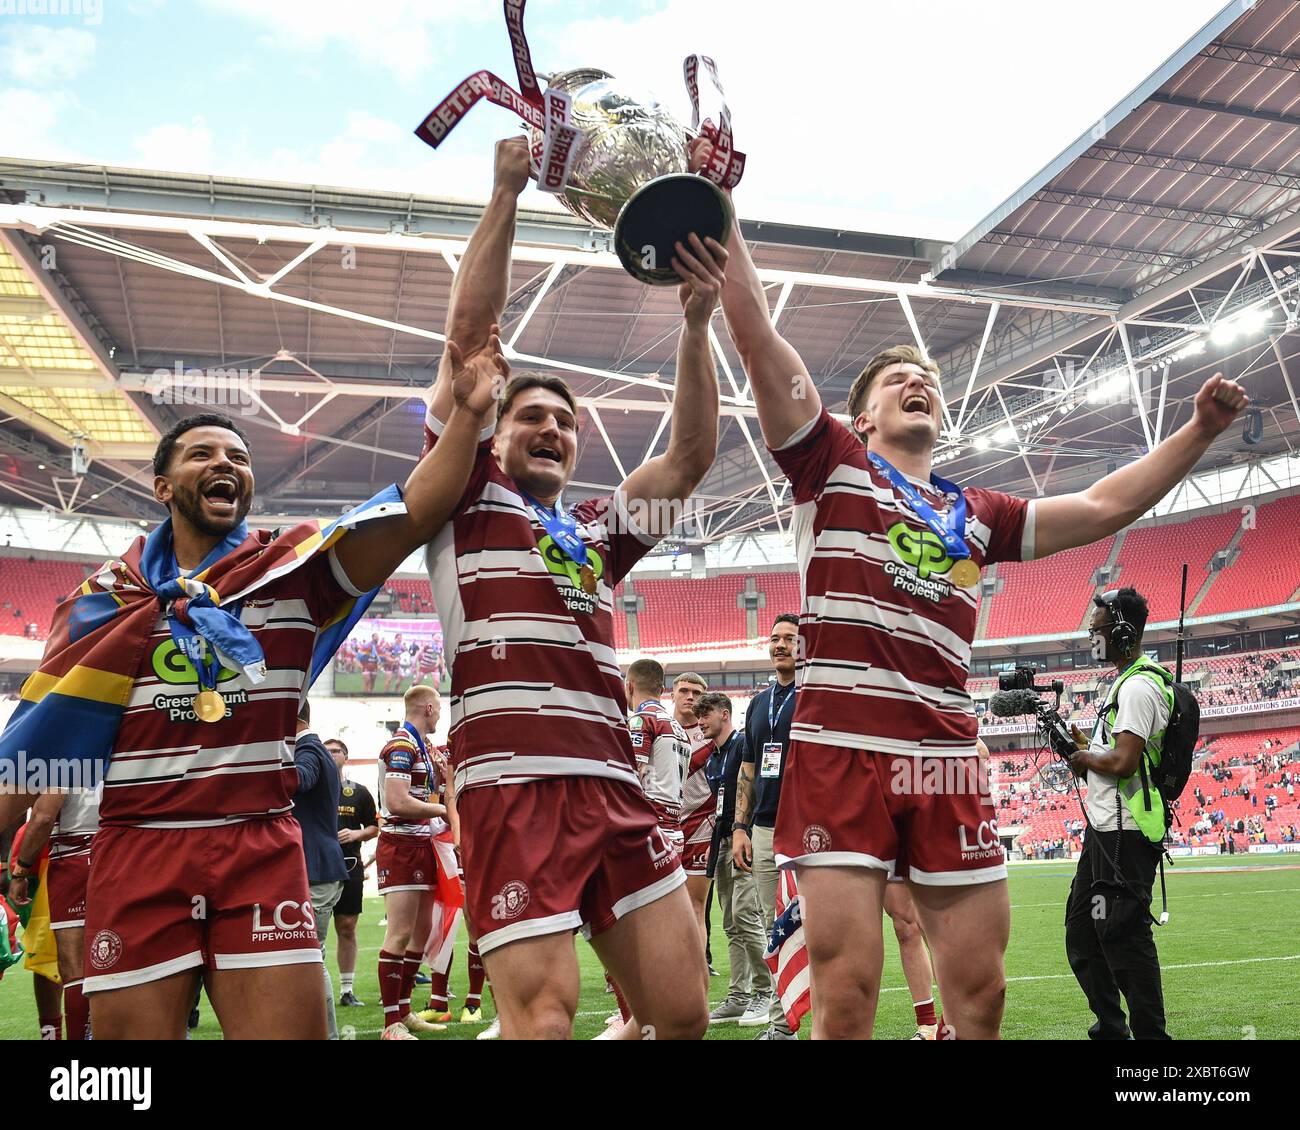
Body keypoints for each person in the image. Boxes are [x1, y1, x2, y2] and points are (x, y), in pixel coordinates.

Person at [697, 131, 1249, 1039]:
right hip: (842, 749)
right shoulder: (831, 465)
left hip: (947, 753)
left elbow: (1105, 506)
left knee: (982, 995)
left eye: (928, 378)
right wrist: (725, 214)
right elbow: (759, 335)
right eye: (896, 380)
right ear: (861, 414)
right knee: (845, 996)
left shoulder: (977, 510)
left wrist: (1195, 434)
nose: (919, 381)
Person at [0, 312, 512, 1038]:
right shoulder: (100, 604)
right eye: (202, 453)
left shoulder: (293, 575)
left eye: (237, 456)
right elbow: (38, 745)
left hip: (259, 849)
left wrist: (466, 412)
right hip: (139, 848)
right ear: (163, 486)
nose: (226, 464)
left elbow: (417, 510)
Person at [419, 137, 722, 1040]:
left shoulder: (597, 532)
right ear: (496, 433)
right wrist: (505, 191)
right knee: (544, 1020)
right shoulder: (464, 490)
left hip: (615, 788)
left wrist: (697, 326)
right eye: (532, 417)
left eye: (566, 421)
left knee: (682, 1015)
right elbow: (469, 342)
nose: (550, 428)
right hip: (513, 784)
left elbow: (693, 457)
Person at [1065, 588, 1171, 1040]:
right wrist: (1086, 751)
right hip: (1104, 832)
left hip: (1125, 835)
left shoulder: (1139, 687)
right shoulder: (1123, 682)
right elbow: (1114, 755)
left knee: (1123, 935)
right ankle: (1112, 1027)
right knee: (1083, 933)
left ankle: (1151, 1036)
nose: (1093, 638)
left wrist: (1085, 758)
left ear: (1123, 631)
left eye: (1098, 630)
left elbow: (1125, 762)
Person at [733, 613, 798, 1039]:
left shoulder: (815, 695)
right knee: (773, 930)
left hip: (809, 830)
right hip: (763, 829)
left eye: (789, 639)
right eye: (774, 638)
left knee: (812, 927)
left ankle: (826, 1016)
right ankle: (781, 1026)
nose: (779, 645)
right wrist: (739, 826)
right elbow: (748, 769)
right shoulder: (758, 703)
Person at [375, 685, 452, 1040]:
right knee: (401, 931)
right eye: (438, 709)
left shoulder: (422, 747)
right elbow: (396, 802)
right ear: (430, 708)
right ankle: (390, 1023)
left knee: (421, 931)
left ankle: (403, 1011)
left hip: (422, 842)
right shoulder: (402, 746)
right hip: (401, 844)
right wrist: (442, 810)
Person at [696, 692, 771, 1028]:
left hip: (746, 838)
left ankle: (766, 991)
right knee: (731, 923)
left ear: (724, 714)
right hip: (723, 842)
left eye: (705, 715)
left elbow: (753, 787)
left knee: (746, 915)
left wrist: (748, 833)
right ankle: (739, 996)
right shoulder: (713, 757)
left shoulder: (743, 745)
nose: (700, 722)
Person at [6, 786, 99, 1040]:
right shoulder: (122, 747)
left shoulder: (66, 754)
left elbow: (43, 815)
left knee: (65, 962)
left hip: (69, 855)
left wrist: (20, 869)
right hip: (123, 852)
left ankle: (59, 1038)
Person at [291, 703, 349, 1040]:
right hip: (319, 868)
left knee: (312, 958)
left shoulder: (309, 750)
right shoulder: (316, 750)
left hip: (315, 871)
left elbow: (300, 778)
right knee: (310, 956)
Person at [326, 736, 377, 1008]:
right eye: (326, 751)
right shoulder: (309, 789)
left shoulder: (358, 791)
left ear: (346, 757)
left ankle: (347, 990)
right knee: (314, 931)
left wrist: (356, 833)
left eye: (336, 751)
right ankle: (314, 988)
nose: (331, 755)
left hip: (350, 866)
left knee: (347, 927)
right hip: (317, 867)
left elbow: (373, 826)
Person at [671, 671, 716, 971]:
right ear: (671, 693)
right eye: (684, 691)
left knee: (695, 906)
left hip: (702, 825)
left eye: (697, 693)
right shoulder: (658, 729)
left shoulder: (714, 734)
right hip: (664, 827)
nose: (690, 697)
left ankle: (695, 971)